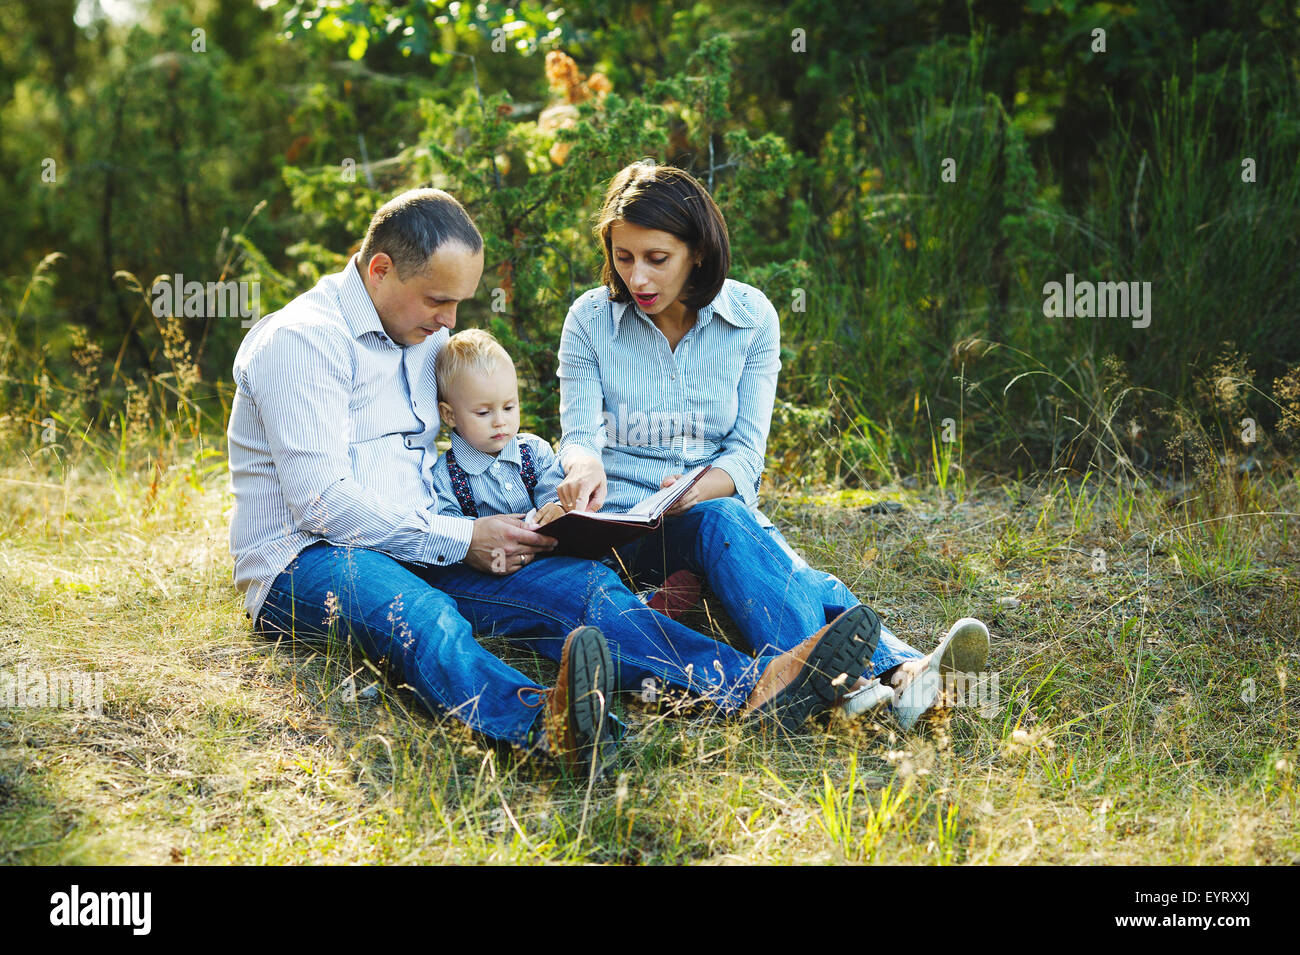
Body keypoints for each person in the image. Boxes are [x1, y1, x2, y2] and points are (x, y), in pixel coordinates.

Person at [227, 188, 880, 783]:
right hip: (305, 559)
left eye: (460, 302)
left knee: (585, 586)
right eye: (438, 300)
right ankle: (548, 727)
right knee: (422, 616)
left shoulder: (420, 334)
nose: (450, 321)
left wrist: (515, 518)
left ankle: (760, 689)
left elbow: (476, 433)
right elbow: (322, 501)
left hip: (423, 536)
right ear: (379, 270)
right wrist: (462, 537)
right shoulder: (301, 342)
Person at [552, 162, 990, 729]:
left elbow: (743, 455)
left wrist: (693, 492)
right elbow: (580, 434)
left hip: (710, 510)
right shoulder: (591, 319)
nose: (637, 278)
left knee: (737, 528)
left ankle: (890, 682)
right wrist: (584, 465)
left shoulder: (751, 317)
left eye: (656, 259)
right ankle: (879, 676)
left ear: (699, 254)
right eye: (623, 257)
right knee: (781, 561)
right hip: (621, 527)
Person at [427, 325, 879, 729]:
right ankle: (756, 683)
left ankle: (818, 670)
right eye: (484, 413)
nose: (501, 420)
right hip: (504, 573)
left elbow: (553, 490)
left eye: (509, 406)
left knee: (723, 518)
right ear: (450, 416)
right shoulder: (444, 472)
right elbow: (445, 533)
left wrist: (556, 509)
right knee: (592, 587)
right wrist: (475, 535)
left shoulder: (531, 451)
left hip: (560, 552)